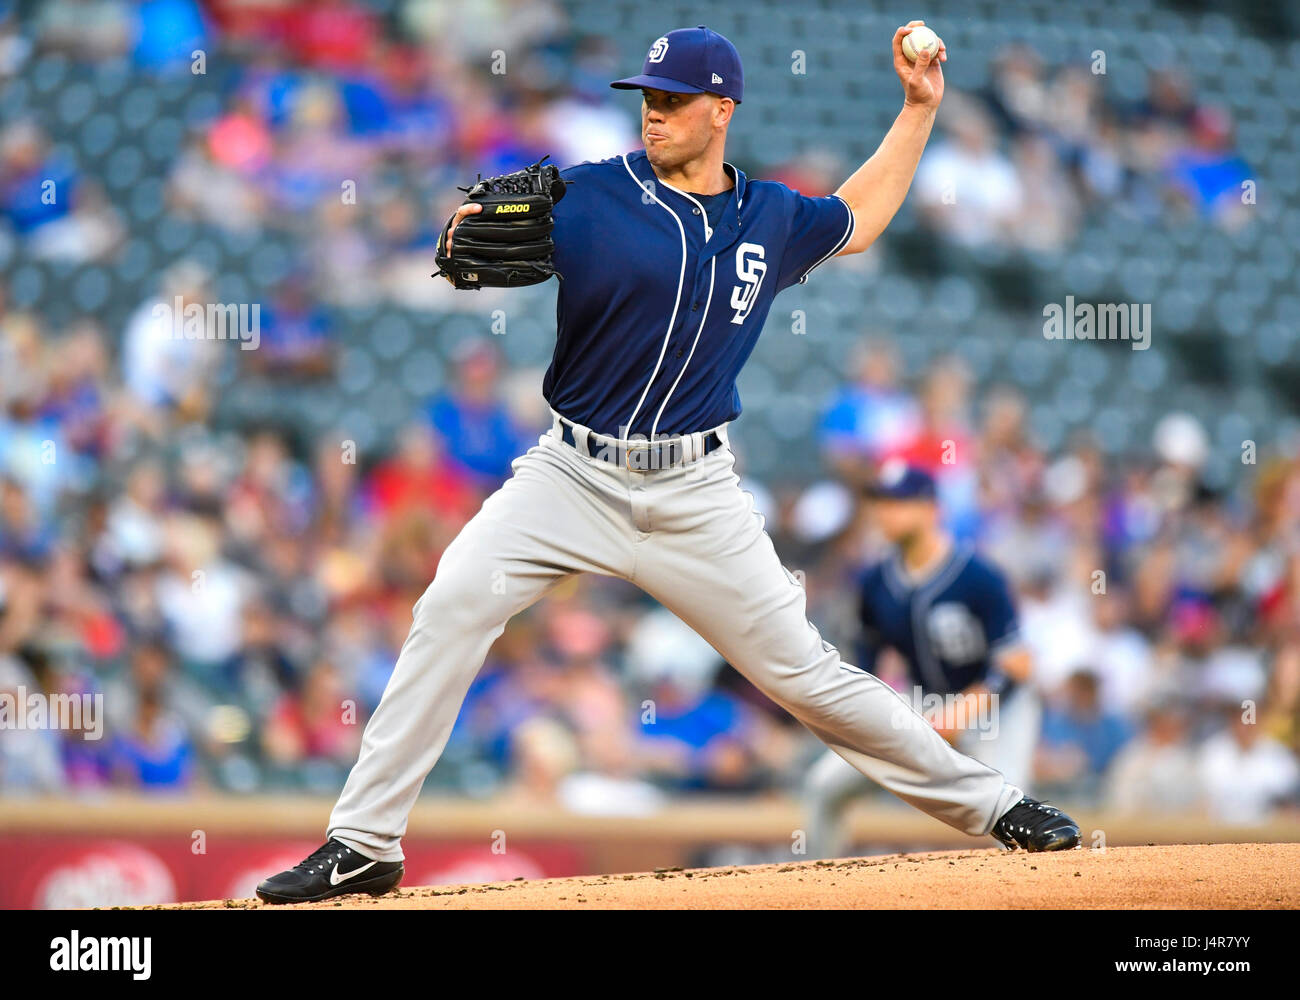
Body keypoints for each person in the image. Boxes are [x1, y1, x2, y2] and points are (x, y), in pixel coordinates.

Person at [258, 21, 1079, 905]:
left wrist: (917, 112)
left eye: (672, 101)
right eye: (646, 99)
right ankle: (364, 843)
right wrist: (457, 236)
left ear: (721, 109)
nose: (653, 116)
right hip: (570, 476)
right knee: (452, 604)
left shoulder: (770, 215)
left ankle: (996, 806)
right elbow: (466, 234)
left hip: (695, 490)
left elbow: (860, 219)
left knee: (803, 673)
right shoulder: (588, 196)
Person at [803, 461, 1043, 858]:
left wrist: (967, 708)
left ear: (932, 508)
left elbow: (1019, 663)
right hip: (924, 702)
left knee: (1010, 809)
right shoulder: (874, 581)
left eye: (900, 502)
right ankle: (823, 891)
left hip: (996, 706)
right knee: (823, 788)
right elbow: (866, 665)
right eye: (880, 501)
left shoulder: (978, 575)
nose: (886, 512)